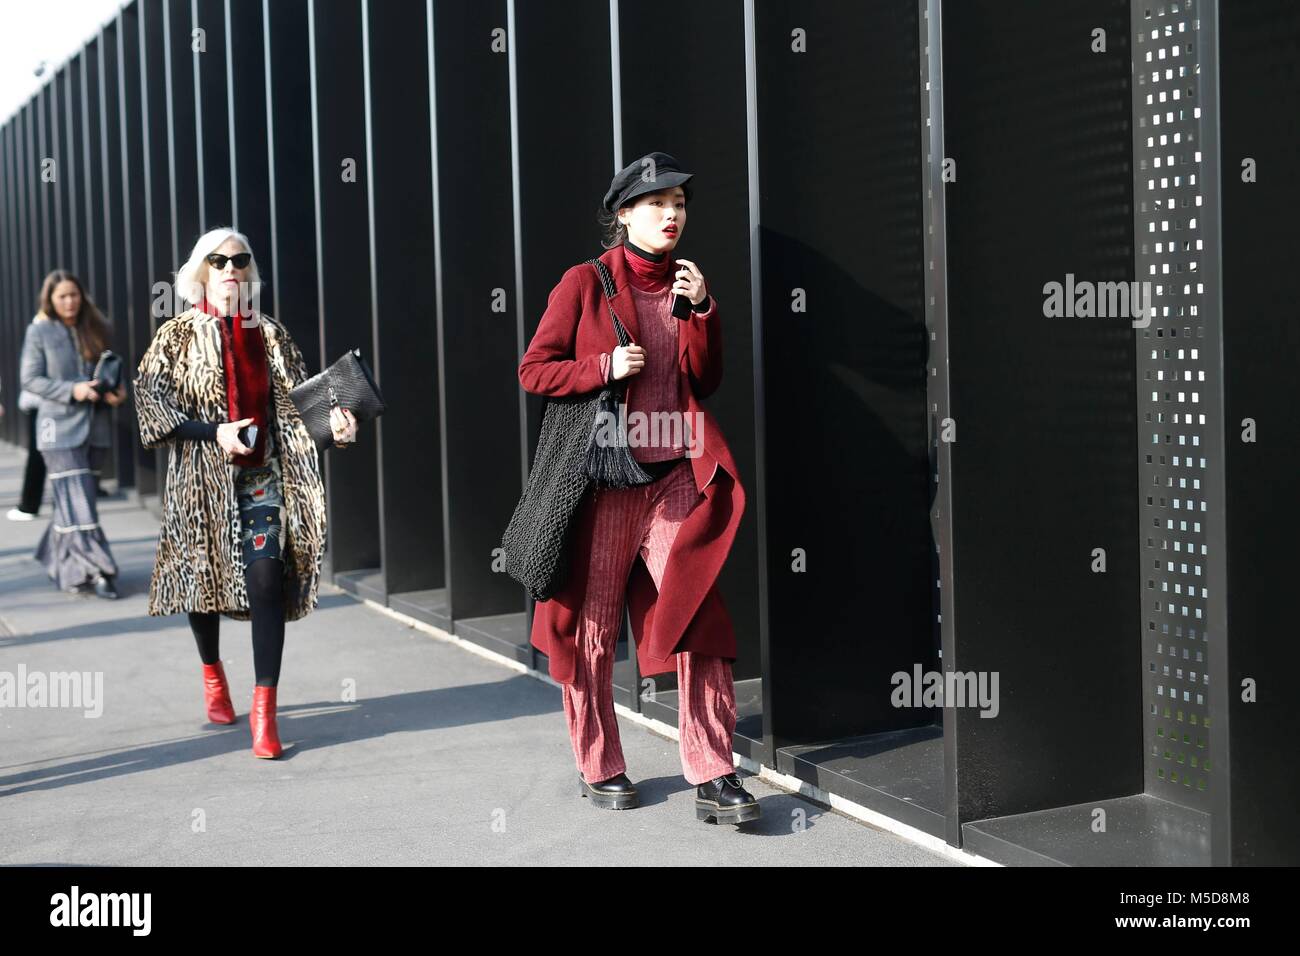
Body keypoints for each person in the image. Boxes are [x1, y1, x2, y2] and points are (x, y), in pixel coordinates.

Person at [517, 152, 759, 825]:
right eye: (655, 203)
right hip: (606, 477)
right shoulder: (584, 283)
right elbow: (534, 370)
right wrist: (600, 366)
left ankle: (715, 771)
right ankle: (600, 764)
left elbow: (704, 381)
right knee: (591, 629)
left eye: (679, 202)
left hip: (676, 472)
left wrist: (705, 309)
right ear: (623, 214)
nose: (672, 214)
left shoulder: (686, 285)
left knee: (700, 618)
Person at [133, 227, 358, 759]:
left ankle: (265, 711)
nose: (231, 267)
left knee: (265, 580)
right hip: (202, 481)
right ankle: (213, 674)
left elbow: (303, 406)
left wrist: (339, 427)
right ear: (201, 270)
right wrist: (214, 431)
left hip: (264, 478)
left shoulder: (271, 334)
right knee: (202, 582)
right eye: (219, 260)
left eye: (241, 259)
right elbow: (151, 406)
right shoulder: (176, 335)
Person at [19, 271, 124, 599]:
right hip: (57, 429)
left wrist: (117, 392)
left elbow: (112, 371)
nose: (69, 301)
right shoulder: (38, 332)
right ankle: (99, 568)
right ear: (49, 299)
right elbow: (30, 379)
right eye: (62, 296)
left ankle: (56, 559)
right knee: (78, 500)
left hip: (96, 427)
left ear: (82, 296)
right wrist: (72, 390)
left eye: (73, 295)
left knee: (78, 499)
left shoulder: (99, 327)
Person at [5, 344, 49, 522]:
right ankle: (30, 504)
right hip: (46, 401)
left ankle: (29, 505)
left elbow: (30, 377)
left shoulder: (40, 330)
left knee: (38, 454)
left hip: (44, 403)